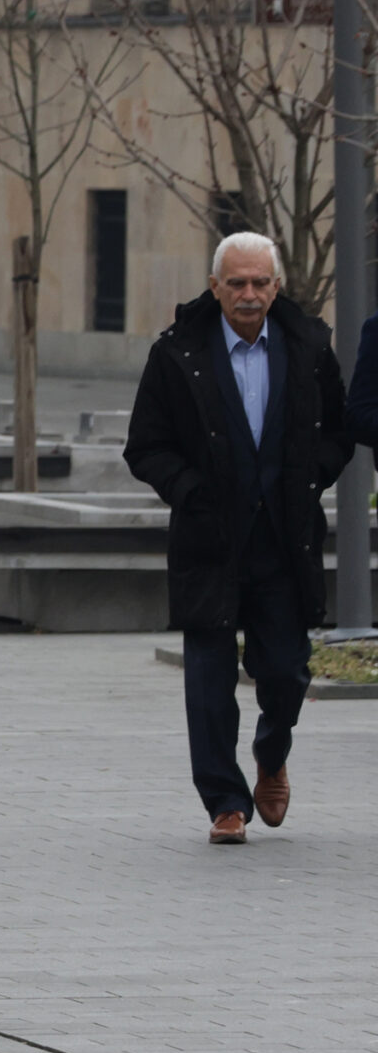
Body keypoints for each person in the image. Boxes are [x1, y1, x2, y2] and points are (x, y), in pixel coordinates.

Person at [132, 233, 347, 845]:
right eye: (236, 283)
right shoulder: (177, 353)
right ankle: (225, 801)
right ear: (214, 286)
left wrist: (309, 480)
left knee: (286, 672)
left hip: (285, 542)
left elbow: (338, 431)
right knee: (207, 680)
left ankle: (271, 753)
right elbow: (145, 446)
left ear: (277, 286)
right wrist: (192, 491)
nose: (248, 294)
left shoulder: (309, 347)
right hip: (209, 541)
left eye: (259, 283)